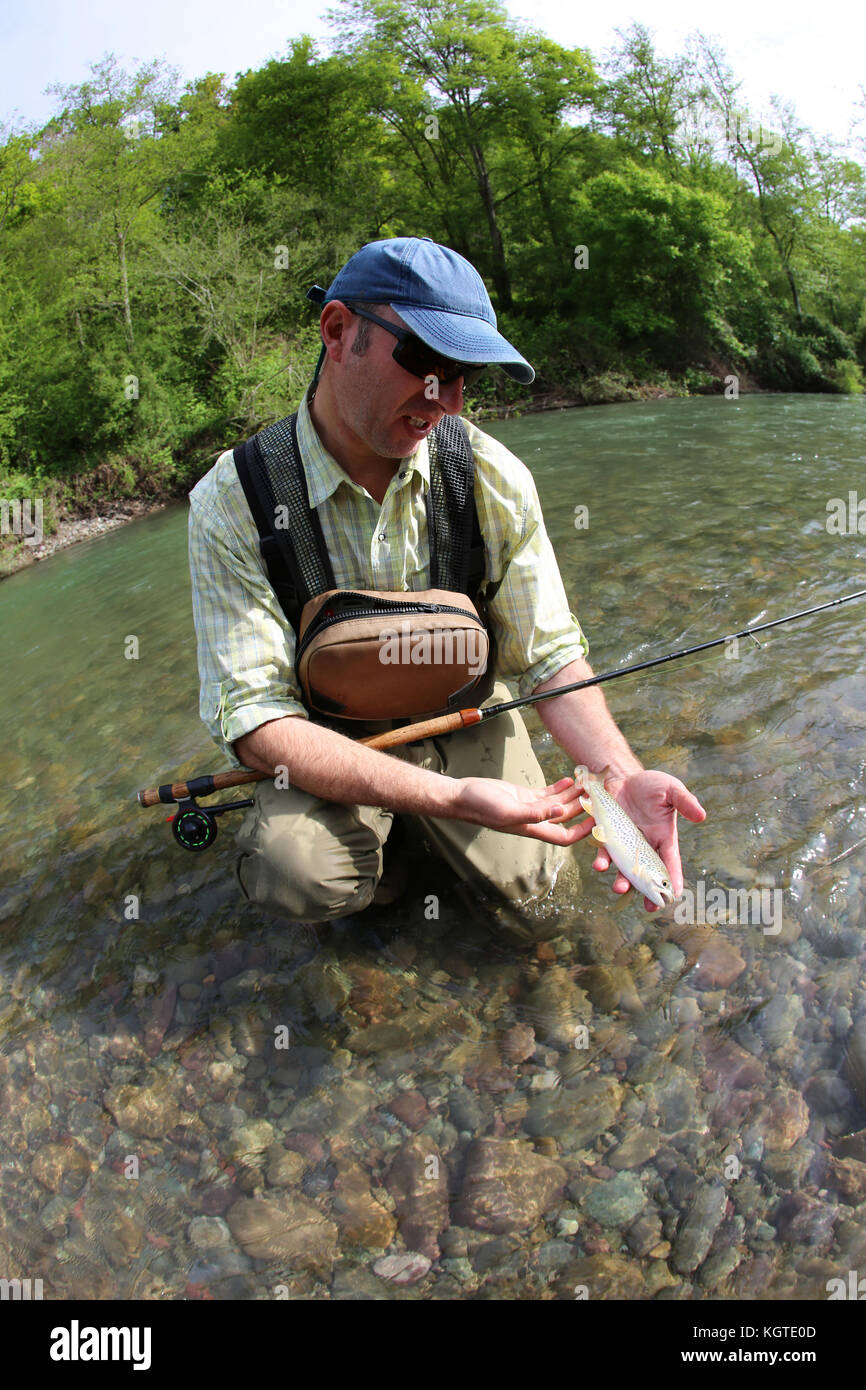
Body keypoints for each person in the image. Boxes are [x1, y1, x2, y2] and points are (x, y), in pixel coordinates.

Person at [188, 236, 704, 929]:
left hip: (463, 708)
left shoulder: (494, 478)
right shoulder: (232, 500)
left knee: (539, 905)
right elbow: (255, 720)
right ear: (338, 332)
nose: (449, 402)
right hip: (330, 736)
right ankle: (385, 862)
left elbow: (550, 657)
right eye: (429, 366)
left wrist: (617, 776)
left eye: (467, 376)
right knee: (294, 873)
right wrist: (451, 798)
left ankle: (415, 845)